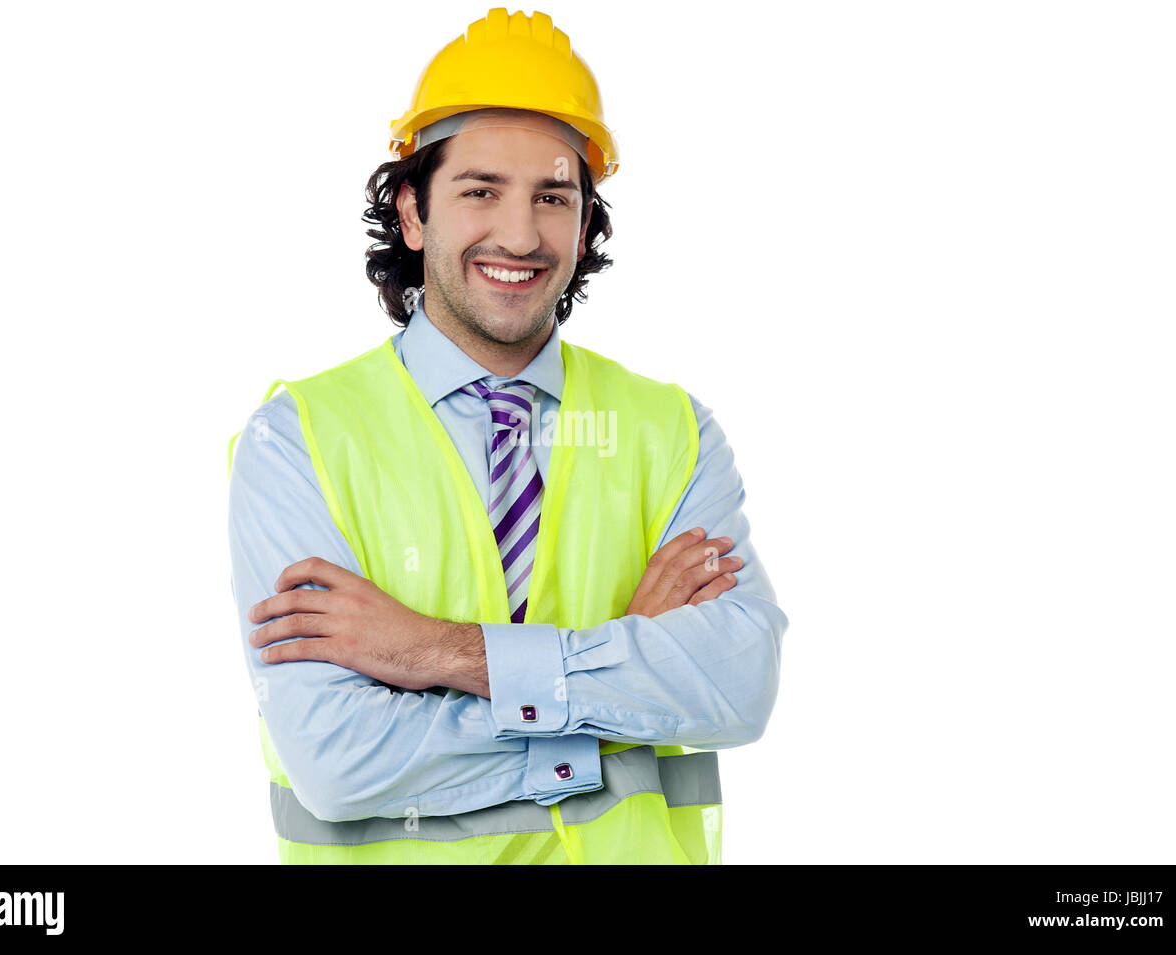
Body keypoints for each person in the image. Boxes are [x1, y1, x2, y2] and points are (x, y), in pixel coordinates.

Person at [227, 7, 788, 865]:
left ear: (585, 220)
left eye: (553, 197)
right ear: (413, 211)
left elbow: (738, 685)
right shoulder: (297, 442)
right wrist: (624, 676)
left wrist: (433, 652)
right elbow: (336, 760)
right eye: (481, 190)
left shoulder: (669, 429)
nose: (521, 236)